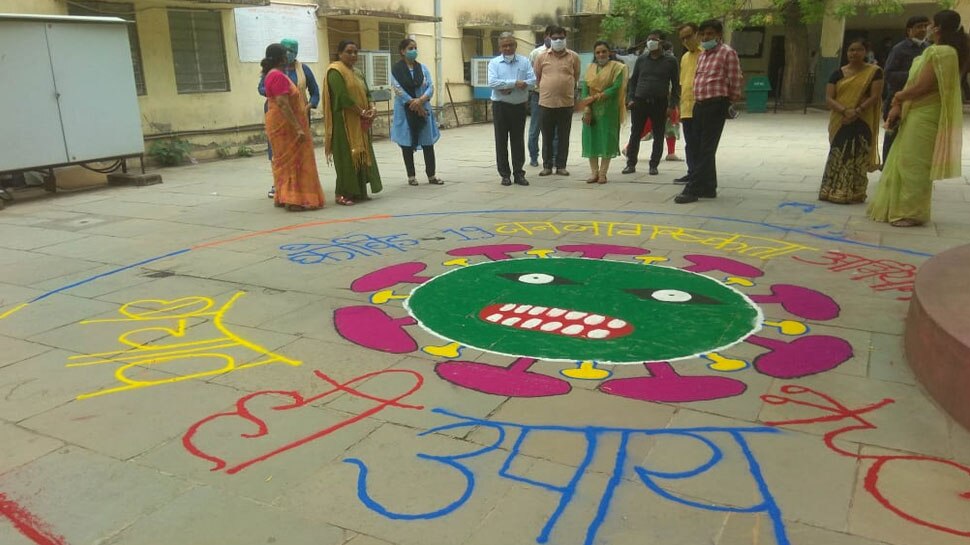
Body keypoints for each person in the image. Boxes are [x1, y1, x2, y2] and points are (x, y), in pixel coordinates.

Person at [868, 9, 966, 227]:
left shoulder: (942, 53)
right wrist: (899, 103)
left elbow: (923, 86)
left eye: (930, 24)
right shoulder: (933, 50)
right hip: (914, 110)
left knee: (915, 164)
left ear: (938, 28)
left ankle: (911, 212)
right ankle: (897, 207)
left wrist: (899, 97)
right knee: (902, 158)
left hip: (925, 113)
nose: (927, 28)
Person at [675, 19, 742, 204]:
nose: (706, 37)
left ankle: (692, 189)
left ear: (718, 35)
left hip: (716, 105)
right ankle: (708, 187)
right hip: (699, 105)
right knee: (697, 148)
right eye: (703, 34)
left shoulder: (727, 53)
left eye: (710, 34)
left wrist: (730, 102)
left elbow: (735, 78)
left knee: (706, 148)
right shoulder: (703, 55)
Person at [259, 43, 325, 211]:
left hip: (279, 122)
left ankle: (284, 196)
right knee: (293, 160)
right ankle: (293, 199)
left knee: (283, 160)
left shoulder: (271, 74)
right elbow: (283, 103)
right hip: (286, 125)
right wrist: (298, 128)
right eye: (285, 53)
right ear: (281, 58)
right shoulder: (278, 76)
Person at [818, 38, 884, 204]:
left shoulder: (874, 72)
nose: (854, 53)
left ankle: (855, 192)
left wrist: (857, 111)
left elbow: (875, 96)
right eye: (851, 50)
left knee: (858, 156)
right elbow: (828, 98)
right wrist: (845, 111)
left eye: (858, 50)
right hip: (841, 119)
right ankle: (831, 190)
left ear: (866, 52)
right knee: (838, 154)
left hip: (862, 119)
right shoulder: (837, 73)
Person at [323, 40, 383, 206]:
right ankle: (342, 193)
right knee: (346, 157)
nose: (353, 55)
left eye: (355, 52)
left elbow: (367, 92)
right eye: (349, 52)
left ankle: (359, 192)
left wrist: (372, 107)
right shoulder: (335, 71)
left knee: (362, 153)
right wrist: (361, 112)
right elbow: (342, 97)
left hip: (360, 121)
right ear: (340, 53)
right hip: (343, 122)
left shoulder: (357, 72)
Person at [622, 30, 679, 176]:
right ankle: (630, 164)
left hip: (659, 103)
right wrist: (631, 98)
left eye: (654, 39)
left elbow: (676, 84)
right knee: (635, 133)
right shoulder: (642, 59)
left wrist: (672, 105)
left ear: (661, 42)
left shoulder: (671, 61)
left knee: (659, 134)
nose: (651, 42)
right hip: (640, 102)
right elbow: (633, 80)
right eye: (649, 39)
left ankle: (654, 165)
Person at [390, 38, 442, 186]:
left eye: (415, 48)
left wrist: (421, 100)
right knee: (406, 143)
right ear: (402, 51)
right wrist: (414, 103)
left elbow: (430, 87)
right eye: (410, 48)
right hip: (405, 110)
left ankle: (431, 175)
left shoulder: (423, 68)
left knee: (428, 142)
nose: (414, 51)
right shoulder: (396, 70)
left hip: (423, 108)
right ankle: (411, 176)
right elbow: (398, 89)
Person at [488, 31, 536, 186]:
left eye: (510, 45)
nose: (507, 48)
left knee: (517, 140)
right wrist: (515, 83)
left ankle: (519, 173)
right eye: (504, 46)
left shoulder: (524, 62)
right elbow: (493, 83)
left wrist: (510, 85)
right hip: (500, 106)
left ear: (515, 45)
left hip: (518, 107)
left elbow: (533, 80)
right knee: (501, 141)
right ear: (500, 47)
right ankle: (505, 174)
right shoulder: (494, 63)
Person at [578, 40, 628, 184]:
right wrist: (587, 107)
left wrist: (596, 96)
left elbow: (616, 87)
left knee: (606, 139)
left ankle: (603, 174)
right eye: (598, 52)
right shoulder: (590, 68)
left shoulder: (618, 68)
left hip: (609, 109)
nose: (601, 54)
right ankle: (594, 173)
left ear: (610, 52)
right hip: (591, 108)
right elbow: (585, 87)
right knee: (591, 139)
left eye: (604, 51)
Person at [881, 16, 930, 163]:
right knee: (893, 135)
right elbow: (889, 74)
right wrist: (914, 76)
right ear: (909, 30)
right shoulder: (899, 49)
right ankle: (887, 169)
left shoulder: (929, 48)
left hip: (920, 101)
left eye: (925, 26)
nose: (922, 29)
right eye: (919, 26)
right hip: (898, 100)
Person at [535, 26, 581, 176]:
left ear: (565, 38)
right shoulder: (541, 57)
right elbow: (538, 77)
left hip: (566, 103)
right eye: (555, 38)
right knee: (547, 136)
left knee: (563, 136)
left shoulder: (573, 56)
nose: (558, 40)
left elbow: (576, 76)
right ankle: (547, 166)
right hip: (546, 103)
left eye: (561, 37)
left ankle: (561, 165)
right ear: (549, 38)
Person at [674, 22, 702, 185]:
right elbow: (683, 83)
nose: (686, 41)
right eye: (682, 39)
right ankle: (692, 173)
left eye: (689, 36)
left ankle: (700, 177)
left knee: (701, 146)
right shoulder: (685, 57)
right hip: (686, 108)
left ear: (697, 34)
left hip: (701, 107)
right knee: (690, 145)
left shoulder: (706, 54)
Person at [528, 26, 557, 167]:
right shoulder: (536, 53)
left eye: (558, 38)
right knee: (535, 128)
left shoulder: (564, 53)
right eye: (552, 37)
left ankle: (554, 158)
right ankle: (534, 157)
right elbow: (531, 74)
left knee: (555, 130)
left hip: (556, 97)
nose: (554, 40)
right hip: (538, 95)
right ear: (546, 36)